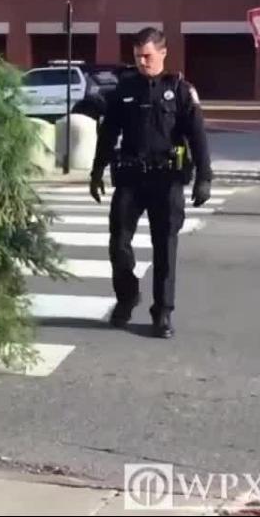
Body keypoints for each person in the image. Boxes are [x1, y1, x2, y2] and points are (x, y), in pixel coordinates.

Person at [90, 28, 213, 339]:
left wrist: (204, 178)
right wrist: (96, 171)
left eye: (147, 55)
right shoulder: (124, 89)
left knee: (164, 249)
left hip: (166, 179)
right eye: (137, 56)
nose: (142, 61)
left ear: (163, 53)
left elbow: (198, 136)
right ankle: (128, 295)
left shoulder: (180, 90)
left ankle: (162, 313)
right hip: (130, 178)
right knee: (118, 243)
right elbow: (108, 135)